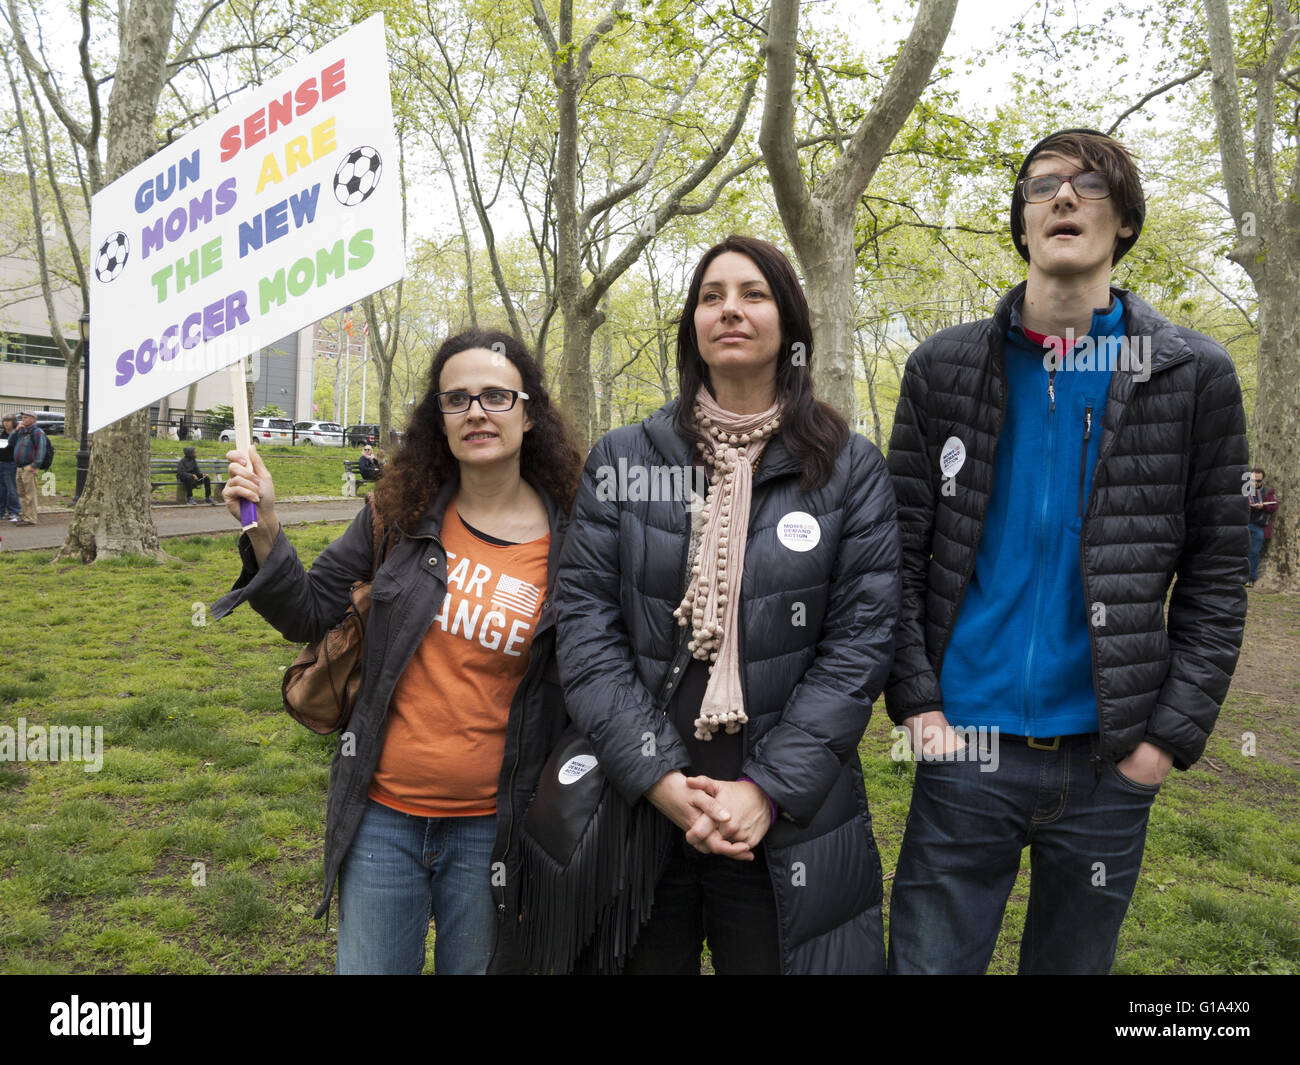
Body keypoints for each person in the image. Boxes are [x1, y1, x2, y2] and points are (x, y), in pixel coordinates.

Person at [884, 128, 1249, 974]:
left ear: (1124, 220)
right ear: (1020, 222)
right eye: (1042, 184)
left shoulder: (1192, 374)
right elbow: (898, 555)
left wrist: (1162, 743)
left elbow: (1220, 575)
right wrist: (918, 708)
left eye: (1089, 184)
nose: (1062, 196)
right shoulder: (943, 367)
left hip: (1109, 756)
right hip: (962, 743)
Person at [554, 235, 901, 974]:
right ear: (692, 327)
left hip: (787, 824)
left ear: (790, 325)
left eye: (753, 294)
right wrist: (660, 780)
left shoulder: (848, 467)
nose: (730, 310)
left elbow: (861, 644)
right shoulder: (624, 458)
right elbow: (584, 627)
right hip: (641, 809)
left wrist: (766, 792)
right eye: (711, 296)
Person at [212, 330, 581, 974]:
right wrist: (266, 526)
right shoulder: (395, 515)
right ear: (436, 419)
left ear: (529, 411)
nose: (476, 412)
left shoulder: (578, 536)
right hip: (382, 817)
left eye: (496, 395)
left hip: (496, 830)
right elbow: (309, 612)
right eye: (456, 399)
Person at [9, 411, 50, 526]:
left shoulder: (37, 432)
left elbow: (41, 449)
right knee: (21, 494)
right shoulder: (22, 431)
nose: (23, 420)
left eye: (26, 418)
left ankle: (31, 518)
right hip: (19, 467)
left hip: (29, 467)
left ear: (33, 419)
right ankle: (25, 516)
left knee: (30, 494)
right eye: (22, 418)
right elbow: (11, 442)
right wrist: (15, 431)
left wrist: (35, 465)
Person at [1246, 467, 1279, 587]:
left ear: (1262, 481)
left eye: (1258, 481)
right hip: (1242, 525)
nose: (1255, 483)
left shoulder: (1267, 492)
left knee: (1254, 552)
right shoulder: (1244, 490)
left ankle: (1251, 578)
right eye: (1253, 480)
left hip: (1258, 526)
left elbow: (1274, 506)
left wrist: (1262, 506)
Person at [0, 415, 20, 521]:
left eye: (8, 421)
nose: (6, 423)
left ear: (13, 422)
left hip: (10, 464)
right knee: (1, 489)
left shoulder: (16, 434)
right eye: (4, 421)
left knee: (11, 488)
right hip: (1, 463)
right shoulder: (2, 434)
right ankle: (1, 511)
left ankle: (14, 512)